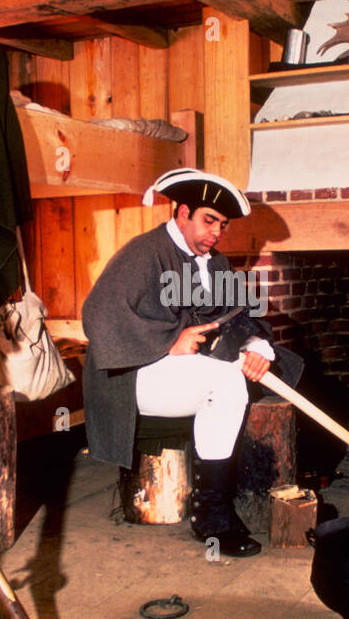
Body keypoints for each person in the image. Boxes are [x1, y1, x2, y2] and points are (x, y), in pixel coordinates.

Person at [82, 168, 303, 558]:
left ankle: (239, 497)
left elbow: (237, 315)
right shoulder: (144, 252)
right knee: (226, 383)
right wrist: (169, 342)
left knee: (264, 368)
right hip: (130, 374)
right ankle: (212, 514)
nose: (216, 233)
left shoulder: (214, 263)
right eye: (208, 220)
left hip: (178, 368)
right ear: (182, 213)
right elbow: (97, 315)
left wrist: (256, 347)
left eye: (222, 224)